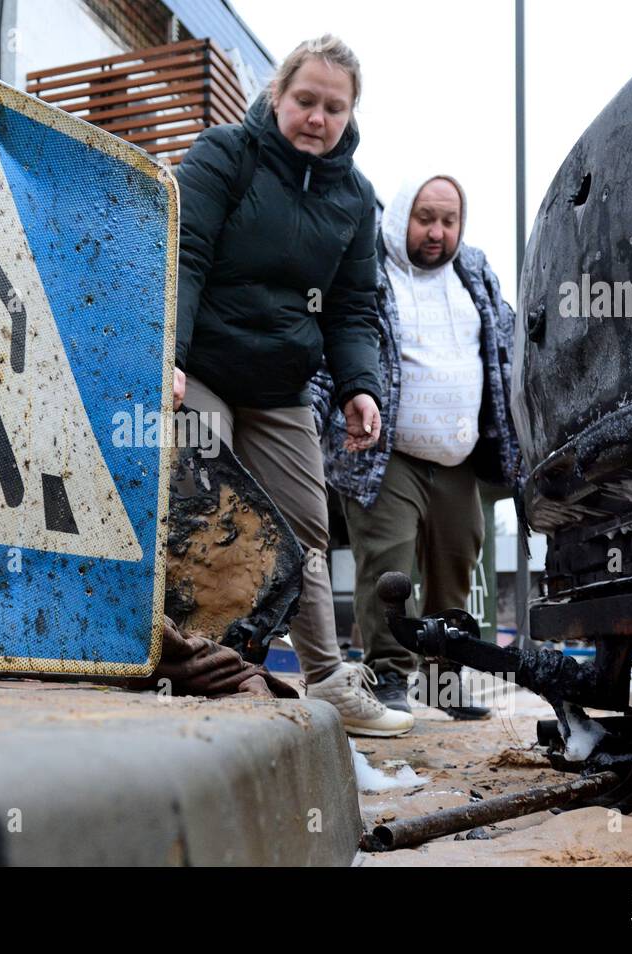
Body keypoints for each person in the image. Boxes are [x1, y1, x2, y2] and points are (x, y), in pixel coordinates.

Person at [173, 35, 413, 736]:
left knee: (307, 526)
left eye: (333, 107)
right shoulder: (226, 155)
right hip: (206, 366)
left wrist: (357, 388)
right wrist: (172, 355)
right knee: (204, 500)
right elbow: (182, 252)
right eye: (305, 100)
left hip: (280, 386)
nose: (316, 117)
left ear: (351, 114)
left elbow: (350, 308)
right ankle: (198, 663)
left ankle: (330, 679)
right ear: (278, 96)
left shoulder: (355, 200)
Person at [312, 175, 520, 720]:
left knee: (456, 565)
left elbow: (507, 340)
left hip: (457, 459)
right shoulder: (369, 268)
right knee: (388, 565)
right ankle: (388, 676)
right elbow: (338, 336)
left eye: (449, 221)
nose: (437, 232)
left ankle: (442, 683)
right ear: (402, 215)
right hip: (386, 453)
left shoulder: (474, 272)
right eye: (425, 218)